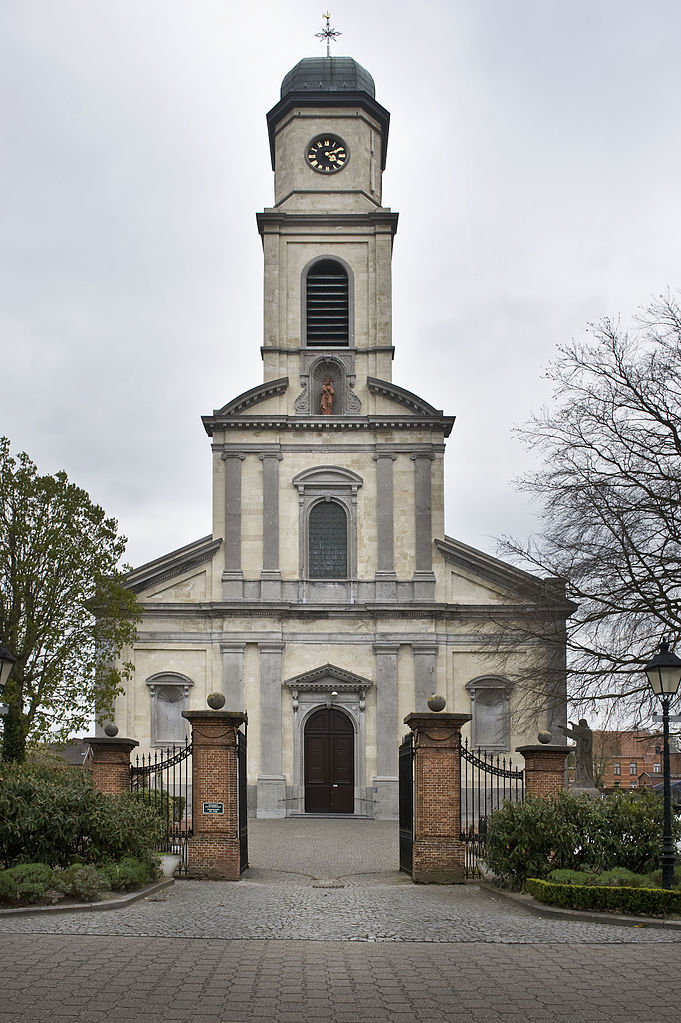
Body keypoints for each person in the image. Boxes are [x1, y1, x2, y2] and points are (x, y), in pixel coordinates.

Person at [559, 718, 593, 786]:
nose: (579, 726)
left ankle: (585, 779)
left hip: (585, 752)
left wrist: (573, 725)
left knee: (584, 765)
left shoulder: (588, 732)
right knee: (579, 764)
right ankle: (579, 779)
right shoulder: (581, 735)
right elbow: (573, 735)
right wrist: (565, 729)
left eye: (580, 724)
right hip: (580, 751)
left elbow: (581, 732)